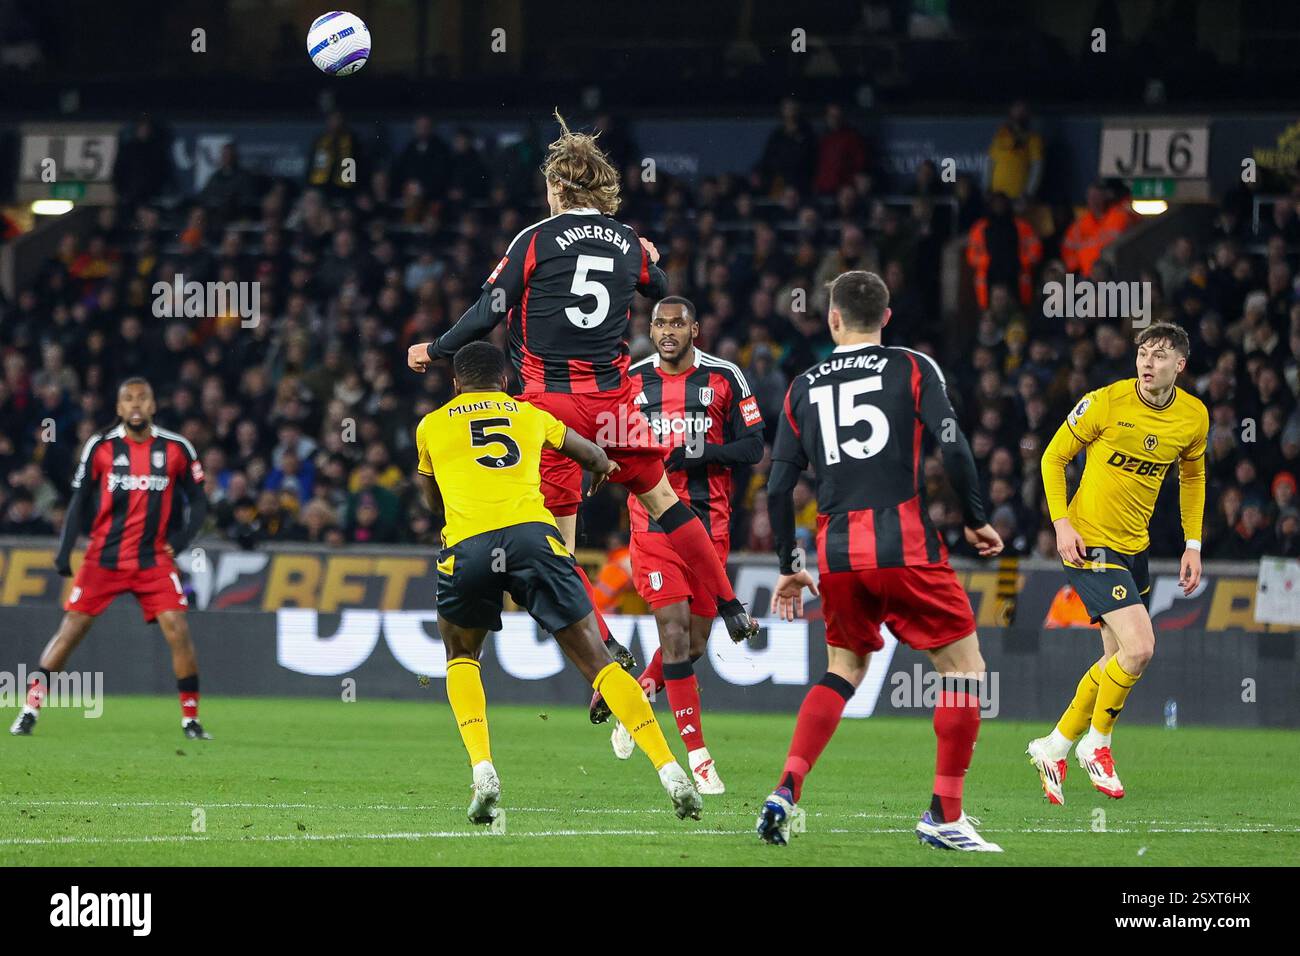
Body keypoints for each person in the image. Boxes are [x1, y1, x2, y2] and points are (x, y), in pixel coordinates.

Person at [406, 112, 759, 653]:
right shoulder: (626, 241)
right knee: (665, 500)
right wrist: (649, 256)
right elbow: (657, 284)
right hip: (614, 401)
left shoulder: (536, 238)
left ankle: (608, 646)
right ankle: (731, 606)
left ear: (556, 186)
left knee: (560, 542)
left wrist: (435, 350)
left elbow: (488, 311)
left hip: (549, 407)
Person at [756, 271, 1005, 852]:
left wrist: (789, 561)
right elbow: (954, 443)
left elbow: (777, 486)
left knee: (843, 669)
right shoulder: (913, 367)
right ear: (886, 318)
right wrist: (973, 516)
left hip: (836, 552)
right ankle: (945, 814)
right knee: (964, 671)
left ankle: (786, 788)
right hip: (905, 543)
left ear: (833, 319)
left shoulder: (802, 386)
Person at [414, 342, 701, 824]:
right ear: (504, 381)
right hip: (534, 538)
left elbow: (431, 501)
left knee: (461, 656)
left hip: (467, 545)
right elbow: (590, 451)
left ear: (456, 384)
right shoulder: (527, 413)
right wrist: (601, 469)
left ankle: (483, 768)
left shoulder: (432, 424)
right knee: (598, 661)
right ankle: (669, 768)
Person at [1028, 322, 1208, 804]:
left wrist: (1193, 543)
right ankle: (1097, 745)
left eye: (1160, 355)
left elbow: (1192, 477)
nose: (1148, 362)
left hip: (1135, 548)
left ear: (1180, 365)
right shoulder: (1105, 402)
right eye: (1143, 353)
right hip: (1090, 545)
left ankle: (1054, 745)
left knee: (1116, 660)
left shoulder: (1194, 418)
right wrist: (1061, 523)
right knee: (1142, 648)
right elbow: (1052, 457)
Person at [592, 296, 764, 794]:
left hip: (709, 528)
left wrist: (703, 451)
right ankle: (698, 757)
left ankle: (638, 701)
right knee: (671, 632)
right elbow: (608, 438)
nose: (667, 331)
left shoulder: (726, 377)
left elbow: (753, 445)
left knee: (693, 644)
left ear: (696, 329)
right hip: (652, 526)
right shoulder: (632, 379)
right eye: (659, 323)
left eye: (677, 323)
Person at [10, 378, 210, 739]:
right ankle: (29, 710)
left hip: (152, 560)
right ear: (119, 408)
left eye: (142, 398)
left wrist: (179, 542)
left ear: (153, 405)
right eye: (128, 399)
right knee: (71, 631)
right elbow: (79, 500)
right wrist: (64, 549)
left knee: (178, 631)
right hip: (104, 557)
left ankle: (191, 719)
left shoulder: (177, 448)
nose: (135, 405)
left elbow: (199, 501)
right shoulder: (100, 447)